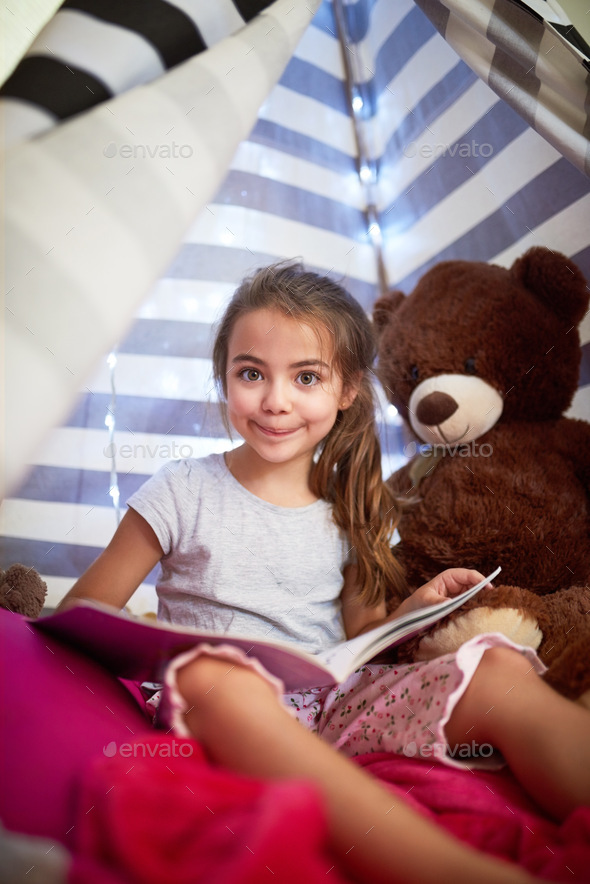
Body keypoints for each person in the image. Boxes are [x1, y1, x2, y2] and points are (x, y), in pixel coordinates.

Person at [58, 261, 589, 884]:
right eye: (251, 373)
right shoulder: (181, 491)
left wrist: (415, 608)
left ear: (347, 391)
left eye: (306, 377)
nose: (275, 401)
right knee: (215, 678)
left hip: (334, 708)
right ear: (224, 378)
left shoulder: (352, 507)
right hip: (226, 713)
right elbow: (79, 615)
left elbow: (363, 638)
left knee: (495, 666)